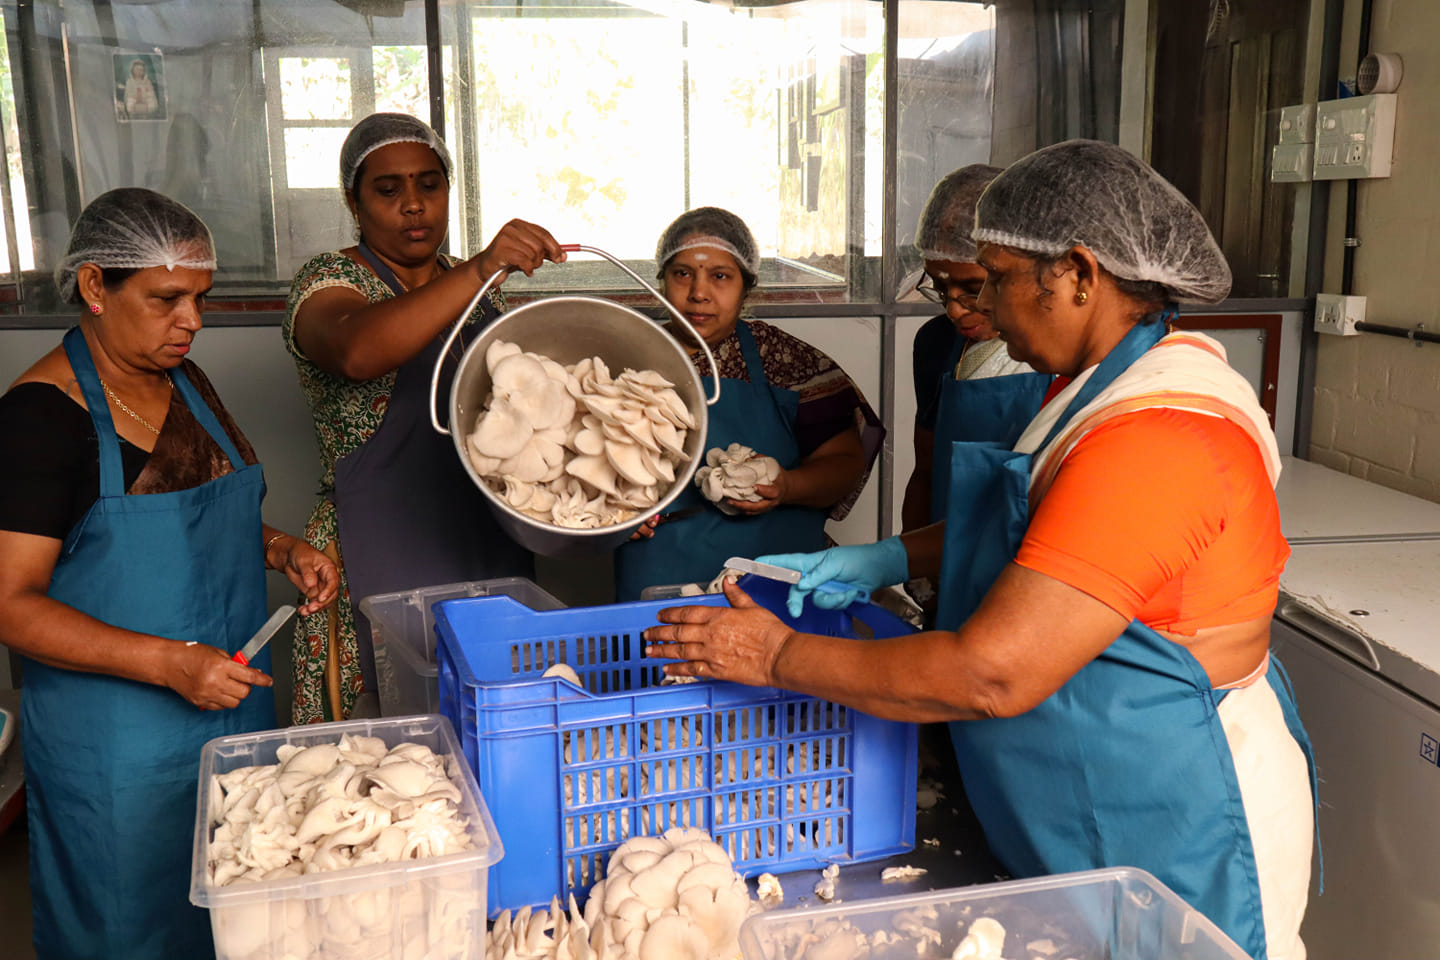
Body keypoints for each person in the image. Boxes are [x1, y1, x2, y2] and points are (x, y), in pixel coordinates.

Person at [644, 141, 1315, 960]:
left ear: (1078, 274)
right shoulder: (1094, 388)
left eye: (995, 279)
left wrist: (776, 656)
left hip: (1172, 817)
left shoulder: (1158, 436)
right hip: (1084, 803)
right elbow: (1037, 535)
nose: (984, 306)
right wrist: (888, 558)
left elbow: (993, 672)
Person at [0, 187, 339, 960]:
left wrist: (279, 548)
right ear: (95, 286)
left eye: (200, 298)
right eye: (166, 299)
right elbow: (10, 604)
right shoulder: (39, 420)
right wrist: (169, 663)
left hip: (229, 717)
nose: (192, 320)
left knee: (237, 917)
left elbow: (192, 519)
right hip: (120, 753)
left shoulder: (183, 380)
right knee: (133, 930)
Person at [285, 112, 565, 722]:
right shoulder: (330, 281)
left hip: (485, 541)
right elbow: (357, 351)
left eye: (429, 185)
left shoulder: (482, 293)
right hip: (378, 550)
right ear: (354, 203)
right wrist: (479, 269)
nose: (413, 204)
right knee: (388, 741)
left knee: (493, 717)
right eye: (388, 190)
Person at [613, 206, 884, 601]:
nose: (699, 293)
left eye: (720, 276)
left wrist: (787, 486)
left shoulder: (786, 361)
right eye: (682, 274)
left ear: (746, 287)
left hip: (772, 586)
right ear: (662, 281)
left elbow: (844, 462)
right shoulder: (622, 358)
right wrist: (611, 518)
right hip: (656, 582)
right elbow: (573, 476)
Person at [901, 164, 1050, 533]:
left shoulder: (1065, 353)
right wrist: (906, 555)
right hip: (946, 542)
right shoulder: (937, 343)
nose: (954, 310)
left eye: (973, 288)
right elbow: (926, 471)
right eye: (940, 288)